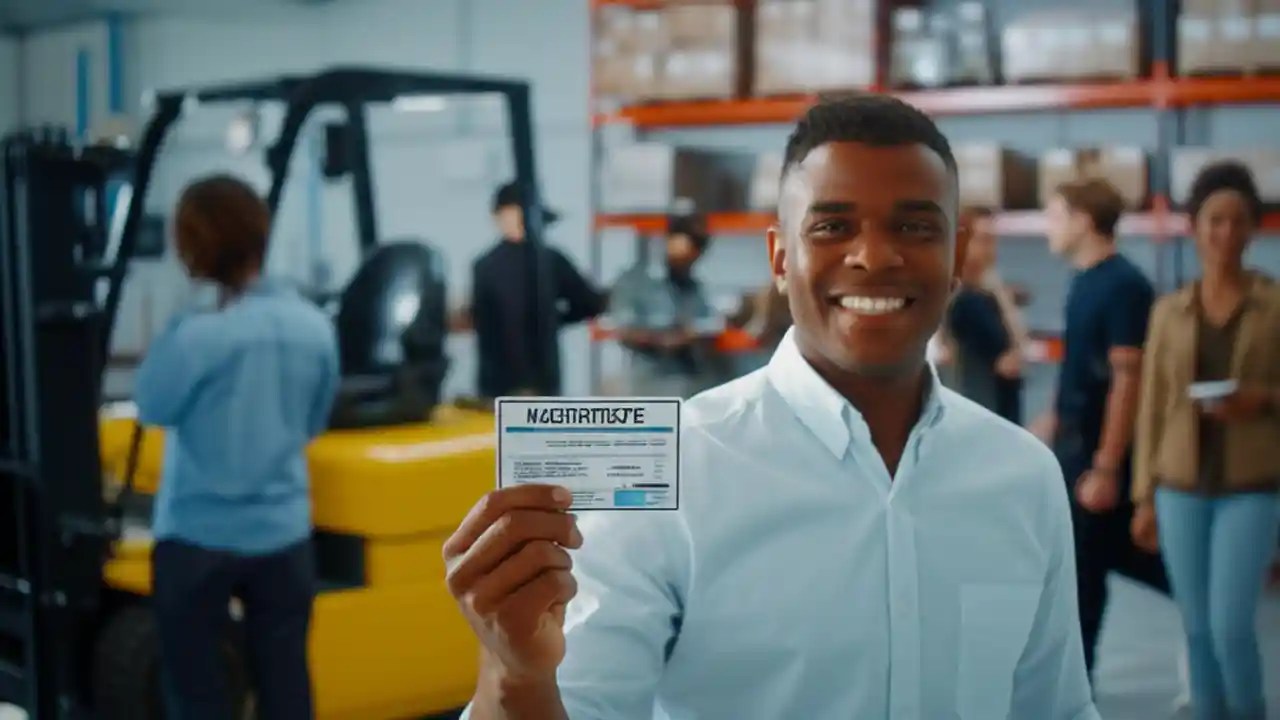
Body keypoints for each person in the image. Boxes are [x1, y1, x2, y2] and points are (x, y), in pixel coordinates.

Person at [444, 94, 1098, 719]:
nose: (873, 255)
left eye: (914, 226)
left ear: (957, 258)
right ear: (780, 257)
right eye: (832, 226)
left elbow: (1056, 708)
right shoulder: (670, 475)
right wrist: (516, 675)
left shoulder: (1023, 477)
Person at [134, 175, 339, 719]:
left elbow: (151, 404)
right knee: (286, 684)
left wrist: (183, 316)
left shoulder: (196, 335)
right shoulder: (313, 326)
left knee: (198, 694)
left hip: (198, 536)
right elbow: (314, 420)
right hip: (284, 534)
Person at [1129, 161, 1280, 720]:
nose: (1225, 233)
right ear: (1195, 228)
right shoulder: (1169, 312)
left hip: (1251, 483)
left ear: (1253, 229)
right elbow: (1151, 405)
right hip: (1179, 486)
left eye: (1237, 221)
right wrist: (1144, 493)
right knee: (1195, 628)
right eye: (1214, 220)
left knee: (1231, 626)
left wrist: (1261, 399)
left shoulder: (1274, 306)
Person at [1034, 177, 1170, 677]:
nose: (1049, 226)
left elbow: (1127, 378)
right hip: (1076, 451)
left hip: (1101, 457)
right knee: (1082, 576)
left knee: (1094, 580)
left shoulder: (1123, 286)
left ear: (1083, 220)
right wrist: (1053, 419)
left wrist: (1107, 467)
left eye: (1054, 215)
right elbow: (1077, 363)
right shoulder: (1083, 282)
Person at [471, 181, 606, 398]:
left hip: (506, 384)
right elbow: (591, 302)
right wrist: (553, 320)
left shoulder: (487, 265)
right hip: (522, 381)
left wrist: (552, 320)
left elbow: (591, 303)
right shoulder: (547, 260)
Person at [607, 213, 726, 398]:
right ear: (670, 240)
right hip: (651, 385)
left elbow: (708, 323)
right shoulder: (634, 282)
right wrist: (666, 340)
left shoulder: (694, 286)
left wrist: (697, 335)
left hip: (691, 384)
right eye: (687, 249)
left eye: (697, 251)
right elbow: (624, 331)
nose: (691, 259)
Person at [944, 206, 1025, 423]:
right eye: (983, 240)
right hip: (985, 417)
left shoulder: (979, 295)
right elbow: (1012, 362)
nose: (991, 249)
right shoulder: (969, 302)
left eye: (993, 240)